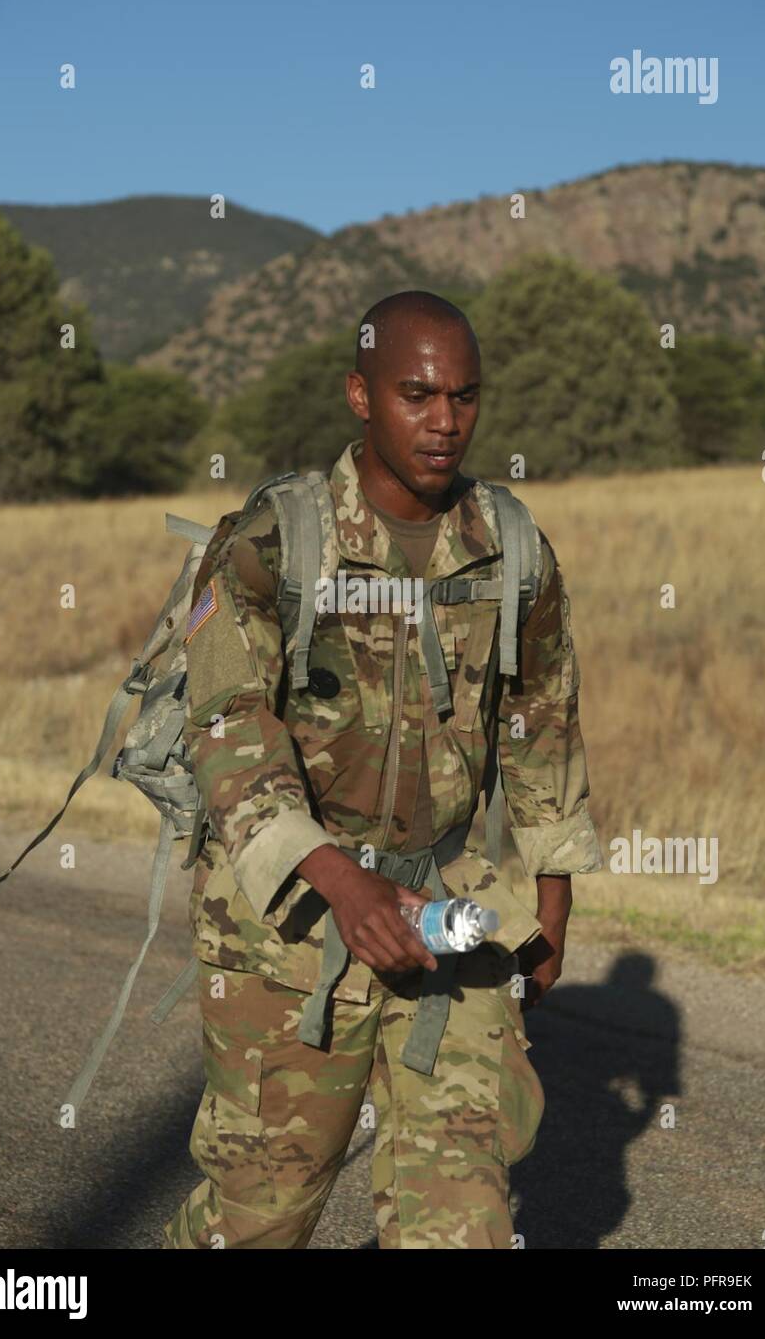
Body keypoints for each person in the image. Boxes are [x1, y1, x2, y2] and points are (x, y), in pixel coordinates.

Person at [163, 290, 602, 1249]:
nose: (445, 422)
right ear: (360, 396)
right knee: (261, 1215)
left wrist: (555, 889)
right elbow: (228, 730)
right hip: (287, 920)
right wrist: (338, 879)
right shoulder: (274, 541)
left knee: (465, 1219)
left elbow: (542, 719)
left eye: (465, 397)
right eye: (417, 394)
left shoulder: (512, 547)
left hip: (450, 905)